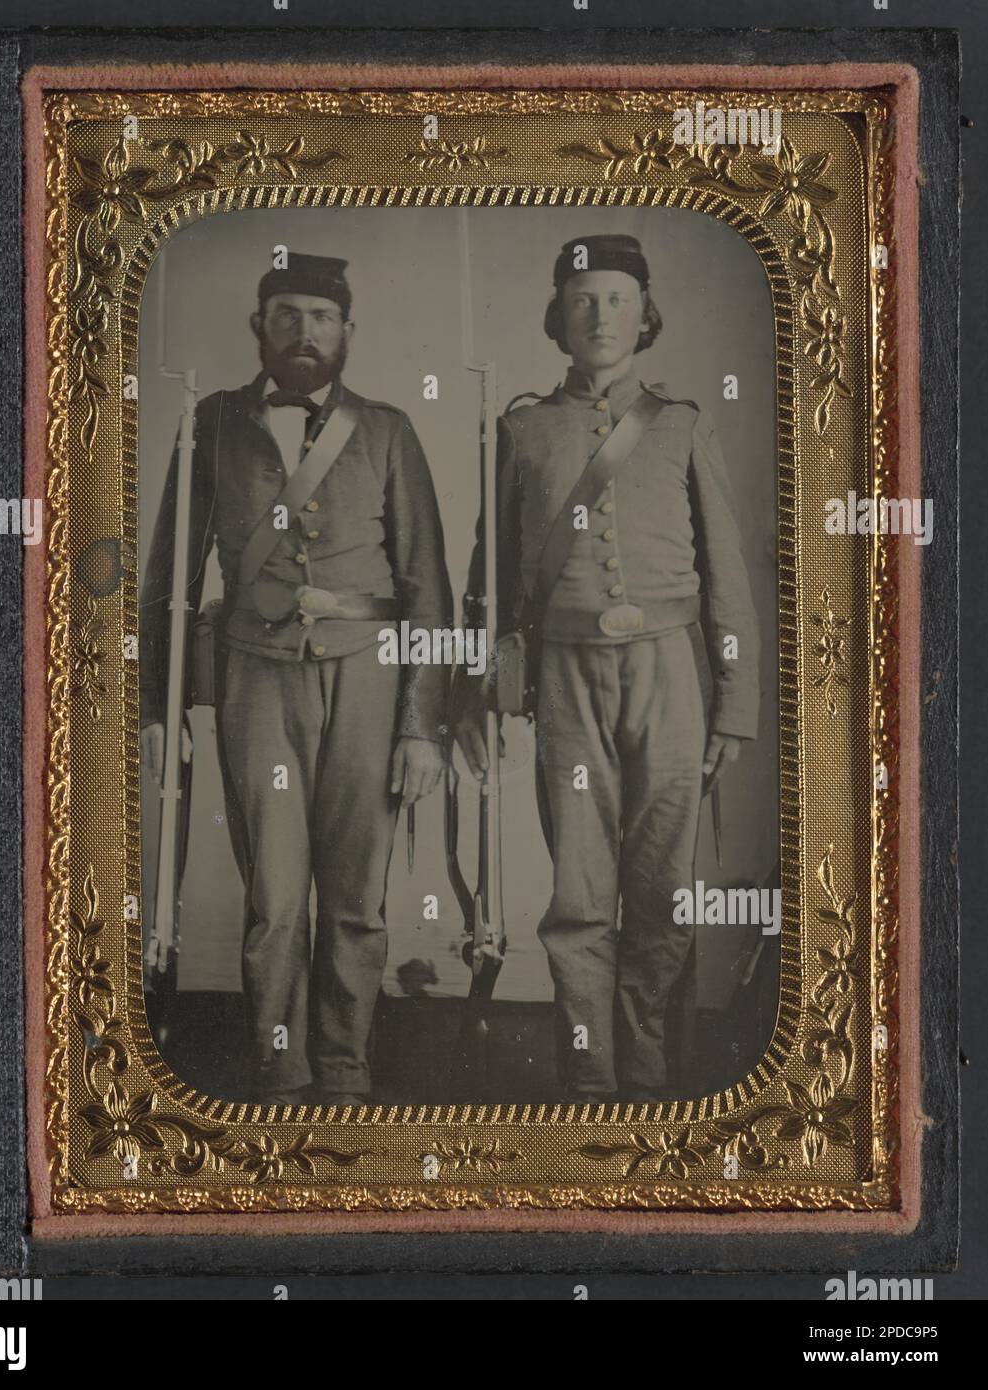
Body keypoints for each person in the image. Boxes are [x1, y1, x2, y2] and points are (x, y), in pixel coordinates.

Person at [141, 251, 452, 1105]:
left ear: (347, 331)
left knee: (356, 894)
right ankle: (280, 1067)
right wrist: (153, 705)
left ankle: (345, 1070)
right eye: (285, 315)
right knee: (275, 898)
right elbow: (170, 576)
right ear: (259, 329)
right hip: (256, 679)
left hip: (370, 680)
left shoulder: (387, 429)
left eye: (320, 317)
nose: (303, 332)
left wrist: (422, 726)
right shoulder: (210, 423)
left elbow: (428, 585)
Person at [456, 235, 759, 1101]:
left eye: (617, 298)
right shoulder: (520, 429)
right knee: (580, 898)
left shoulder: (682, 426)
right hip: (566, 681)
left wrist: (734, 706)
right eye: (582, 299)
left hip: (672, 676)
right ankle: (589, 1085)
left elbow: (727, 578)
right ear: (559, 318)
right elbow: (492, 580)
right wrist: (482, 687)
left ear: (644, 313)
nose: (600, 315)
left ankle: (654, 1086)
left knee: (662, 893)